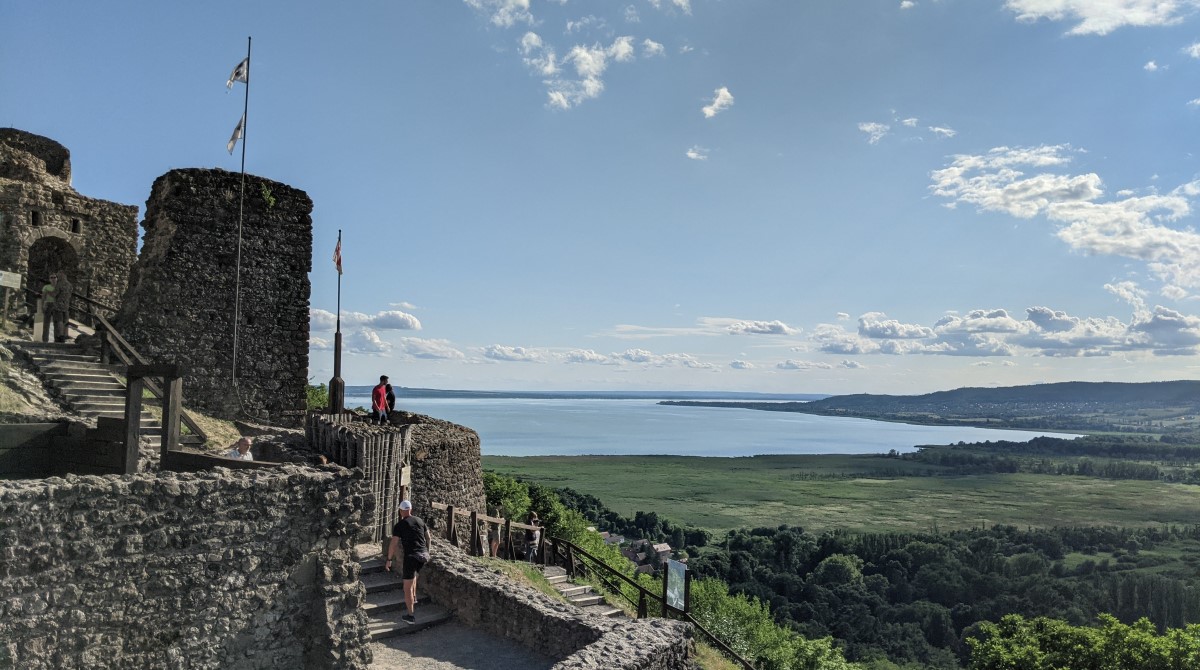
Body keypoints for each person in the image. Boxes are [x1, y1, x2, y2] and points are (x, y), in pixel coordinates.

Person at [386, 500, 431, 624]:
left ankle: (410, 616)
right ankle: (414, 597)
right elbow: (428, 538)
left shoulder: (400, 525)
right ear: (411, 509)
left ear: (401, 511)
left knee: (407, 588)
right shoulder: (420, 521)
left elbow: (393, 543)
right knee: (414, 575)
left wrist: (389, 559)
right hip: (423, 556)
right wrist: (428, 552)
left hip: (411, 557)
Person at [51, 273, 73, 343]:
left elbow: (54, 294)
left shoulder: (59, 284)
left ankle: (60, 335)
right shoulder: (70, 285)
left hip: (58, 306)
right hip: (66, 306)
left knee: (59, 320)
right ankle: (64, 334)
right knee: (65, 321)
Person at [40, 274, 57, 343]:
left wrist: (49, 292)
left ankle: (57, 339)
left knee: (57, 323)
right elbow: (43, 297)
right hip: (48, 304)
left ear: (56, 278)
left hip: (57, 305)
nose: (53, 279)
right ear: (49, 279)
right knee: (46, 323)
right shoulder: (46, 287)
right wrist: (42, 305)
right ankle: (45, 339)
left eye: (54, 277)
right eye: (51, 277)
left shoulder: (59, 287)